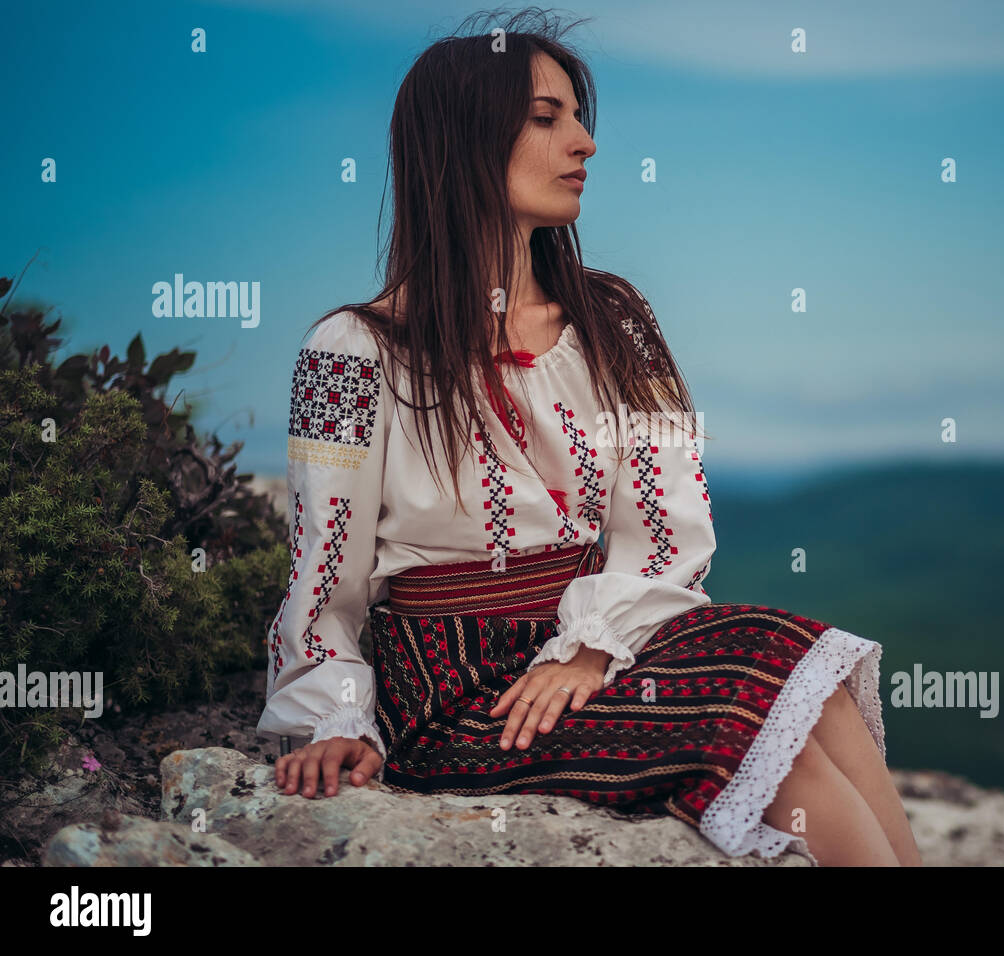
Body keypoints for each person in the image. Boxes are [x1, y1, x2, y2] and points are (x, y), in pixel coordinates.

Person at [256, 9, 921, 867]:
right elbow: (324, 579)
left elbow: (664, 532)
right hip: (458, 697)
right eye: (547, 118)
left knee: (789, 655)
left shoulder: (614, 320)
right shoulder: (352, 350)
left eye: (578, 117)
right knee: (742, 710)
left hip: (594, 645)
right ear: (462, 140)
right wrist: (337, 717)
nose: (585, 144)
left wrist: (591, 648)